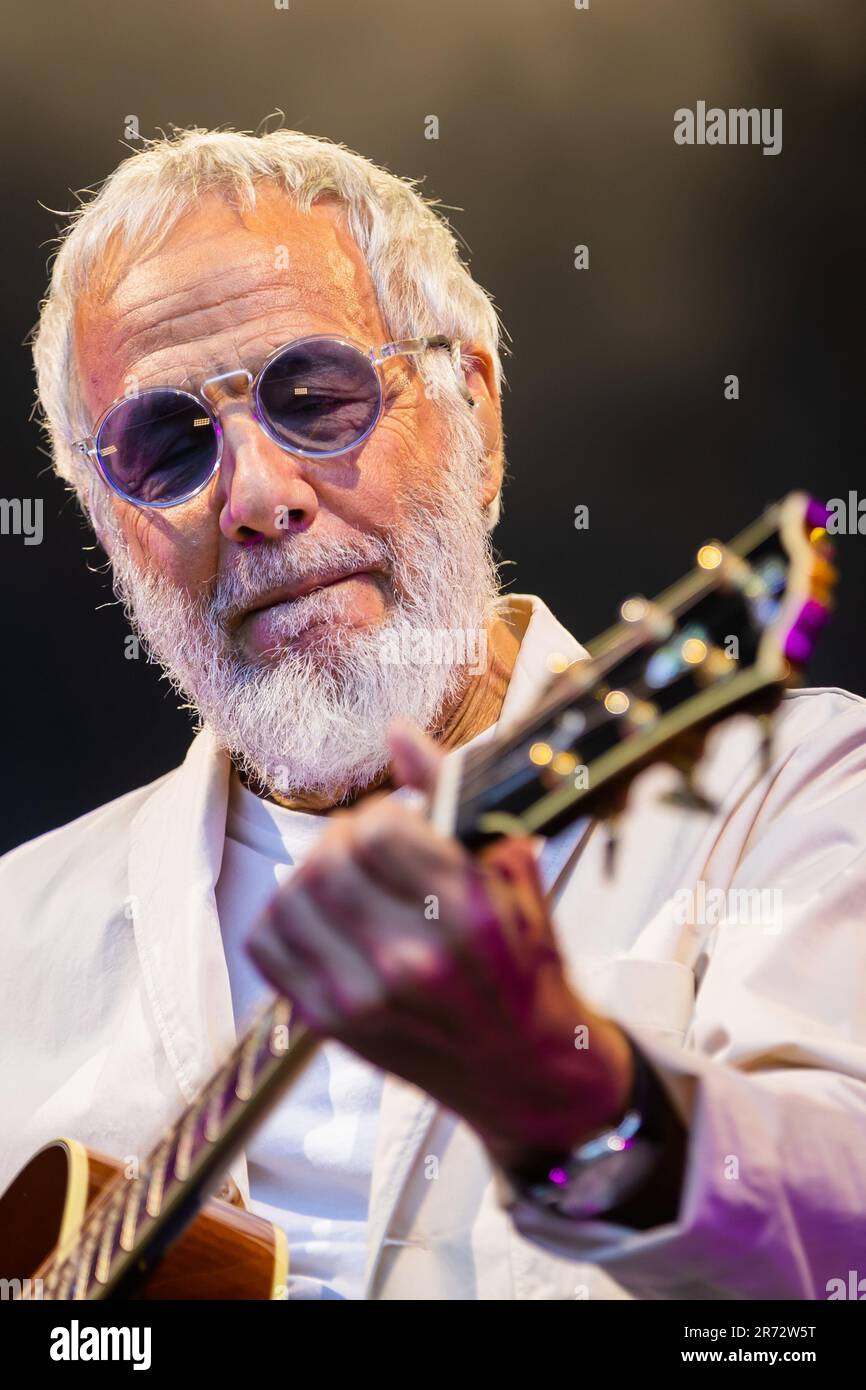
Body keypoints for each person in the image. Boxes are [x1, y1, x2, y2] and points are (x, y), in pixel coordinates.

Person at [3, 126, 865, 1300]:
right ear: (106, 526)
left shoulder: (790, 786)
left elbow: (842, 1241)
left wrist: (568, 1092)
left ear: (476, 412)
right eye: (163, 446)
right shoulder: (18, 930)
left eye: (314, 395)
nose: (257, 497)